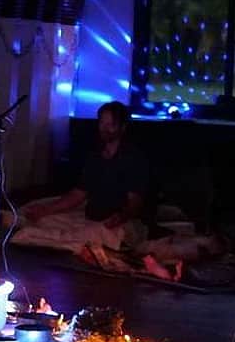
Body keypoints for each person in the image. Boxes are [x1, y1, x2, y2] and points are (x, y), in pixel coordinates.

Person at [18, 101, 150, 254]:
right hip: (91, 219)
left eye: (111, 125)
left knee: (92, 234)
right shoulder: (95, 156)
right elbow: (78, 194)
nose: (104, 129)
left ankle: (64, 239)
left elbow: (135, 202)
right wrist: (46, 210)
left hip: (120, 224)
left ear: (122, 127)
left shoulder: (133, 159)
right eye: (102, 123)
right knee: (42, 218)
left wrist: (120, 217)